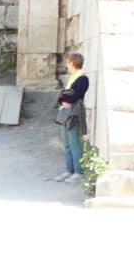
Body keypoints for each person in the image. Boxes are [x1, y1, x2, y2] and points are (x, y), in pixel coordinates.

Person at [54, 52, 88, 184]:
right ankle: (70, 170)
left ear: (73, 63)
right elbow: (63, 97)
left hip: (74, 112)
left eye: (68, 62)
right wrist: (63, 97)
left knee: (74, 142)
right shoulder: (73, 77)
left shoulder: (82, 78)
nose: (67, 65)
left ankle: (78, 172)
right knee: (67, 143)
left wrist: (64, 97)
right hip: (66, 112)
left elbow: (73, 96)